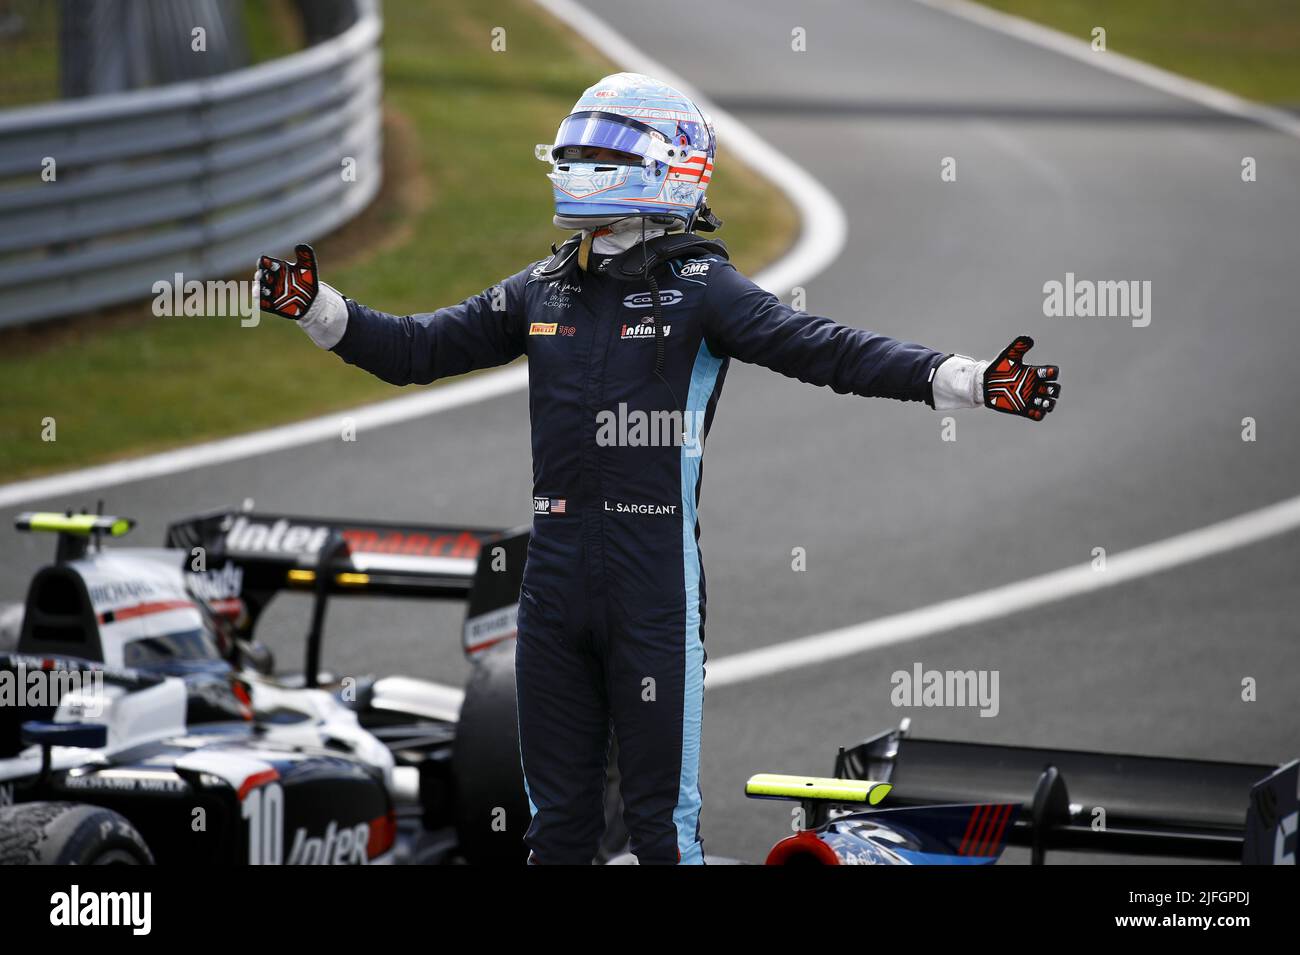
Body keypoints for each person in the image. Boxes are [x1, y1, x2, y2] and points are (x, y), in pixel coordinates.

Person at [255, 72, 1061, 864]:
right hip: (552, 595)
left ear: (663, 166)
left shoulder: (705, 288)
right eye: (570, 150)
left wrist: (967, 378)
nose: (573, 167)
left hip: (654, 595)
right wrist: (318, 308)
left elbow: (830, 351)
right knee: (557, 836)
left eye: (596, 149)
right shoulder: (543, 286)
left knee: (661, 834)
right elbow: (414, 350)